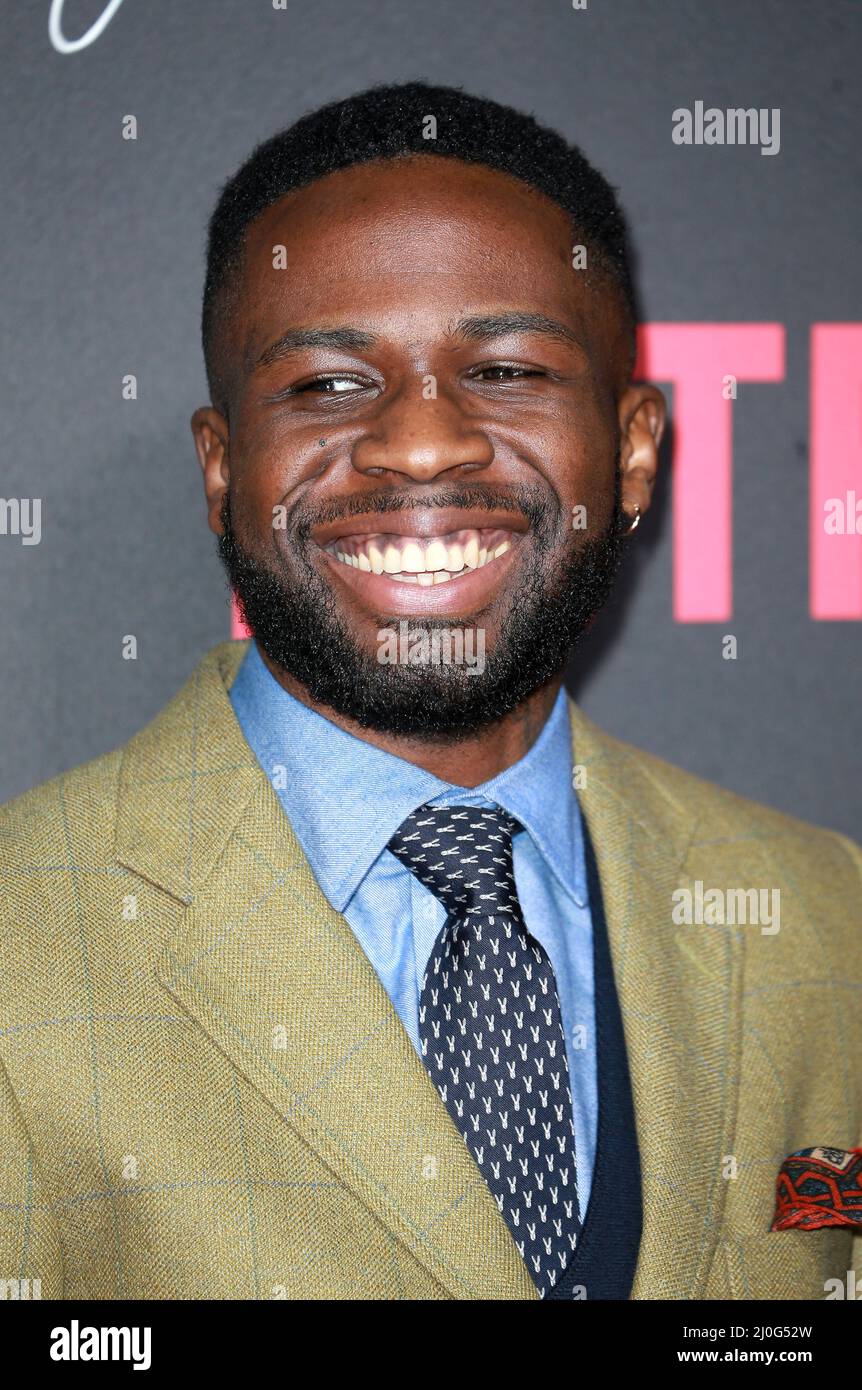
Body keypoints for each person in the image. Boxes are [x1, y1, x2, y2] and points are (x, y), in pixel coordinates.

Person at [1, 81, 859, 1302]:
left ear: (631, 450)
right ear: (220, 467)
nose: (418, 444)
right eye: (328, 384)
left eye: (506, 369)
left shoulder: (826, 917)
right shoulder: (19, 949)